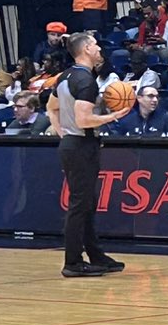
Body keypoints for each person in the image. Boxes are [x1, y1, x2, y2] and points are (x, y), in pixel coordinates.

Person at [47, 32, 129, 277]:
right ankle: (72, 262)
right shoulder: (85, 80)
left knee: (87, 203)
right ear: (85, 50)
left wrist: (64, 134)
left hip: (74, 143)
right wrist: (112, 116)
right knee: (80, 204)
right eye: (95, 45)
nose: (99, 49)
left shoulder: (65, 76)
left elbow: (51, 108)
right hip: (80, 145)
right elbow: (84, 119)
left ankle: (95, 255)